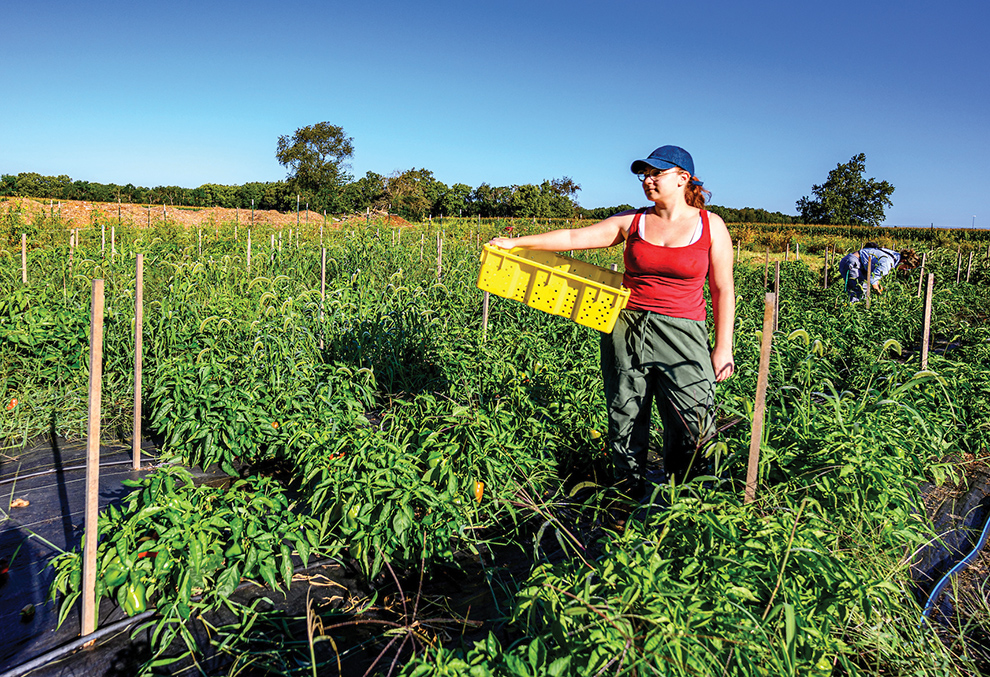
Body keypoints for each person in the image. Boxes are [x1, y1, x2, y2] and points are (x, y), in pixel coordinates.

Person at [489, 145, 735, 500]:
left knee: (693, 419)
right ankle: (626, 496)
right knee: (625, 413)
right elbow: (575, 238)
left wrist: (722, 346)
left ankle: (693, 503)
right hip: (627, 329)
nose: (648, 180)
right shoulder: (632, 221)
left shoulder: (710, 226)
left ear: (683, 179)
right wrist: (516, 243)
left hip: (685, 333)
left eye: (657, 174)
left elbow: (723, 288)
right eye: (644, 174)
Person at [838, 244, 920, 303]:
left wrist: (879, 286)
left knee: (863, 290)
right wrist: (880, 294)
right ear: (904, 261)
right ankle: (851, 314)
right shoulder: (888, 263)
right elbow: (872, 279)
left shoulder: (894, 255)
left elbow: (875, 276)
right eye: (906, 267)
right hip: (852, 263)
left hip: (858, 262)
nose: (905, 269)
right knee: (858, 292)